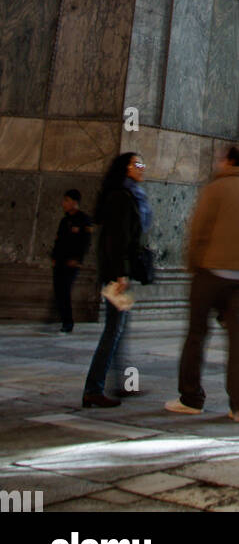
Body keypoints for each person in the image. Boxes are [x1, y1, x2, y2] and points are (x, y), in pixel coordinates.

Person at [167, 145, 239, 423]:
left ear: (229, 162)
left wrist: (193, 266)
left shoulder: (215, 189)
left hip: (211, 274)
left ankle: (191, 399)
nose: (218, 163)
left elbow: (198, 230)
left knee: (196, 335)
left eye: (221, 159)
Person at [82, 152, 150, 408]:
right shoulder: (121, 197)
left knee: (119, 329)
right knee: (113, 330)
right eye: (137, 164)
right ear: (125, 169)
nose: (142, 168)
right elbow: (116, 239)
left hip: (118, 272)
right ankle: (93, 388)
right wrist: (120, 274)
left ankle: (118, 383)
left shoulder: (127, 195)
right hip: (116, 275)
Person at [51, 189, 92, 332]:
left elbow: (85, 243)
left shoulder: (84, 220)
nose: (64, 204)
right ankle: (63, 319)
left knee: (65, 290)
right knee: (59, 291)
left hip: (72, 263)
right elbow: (58, 240)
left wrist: (78, 259)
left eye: (66, 200)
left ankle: (67, 322)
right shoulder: (65, 220)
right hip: (60, 261)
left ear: (75, 202)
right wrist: (54, 258)